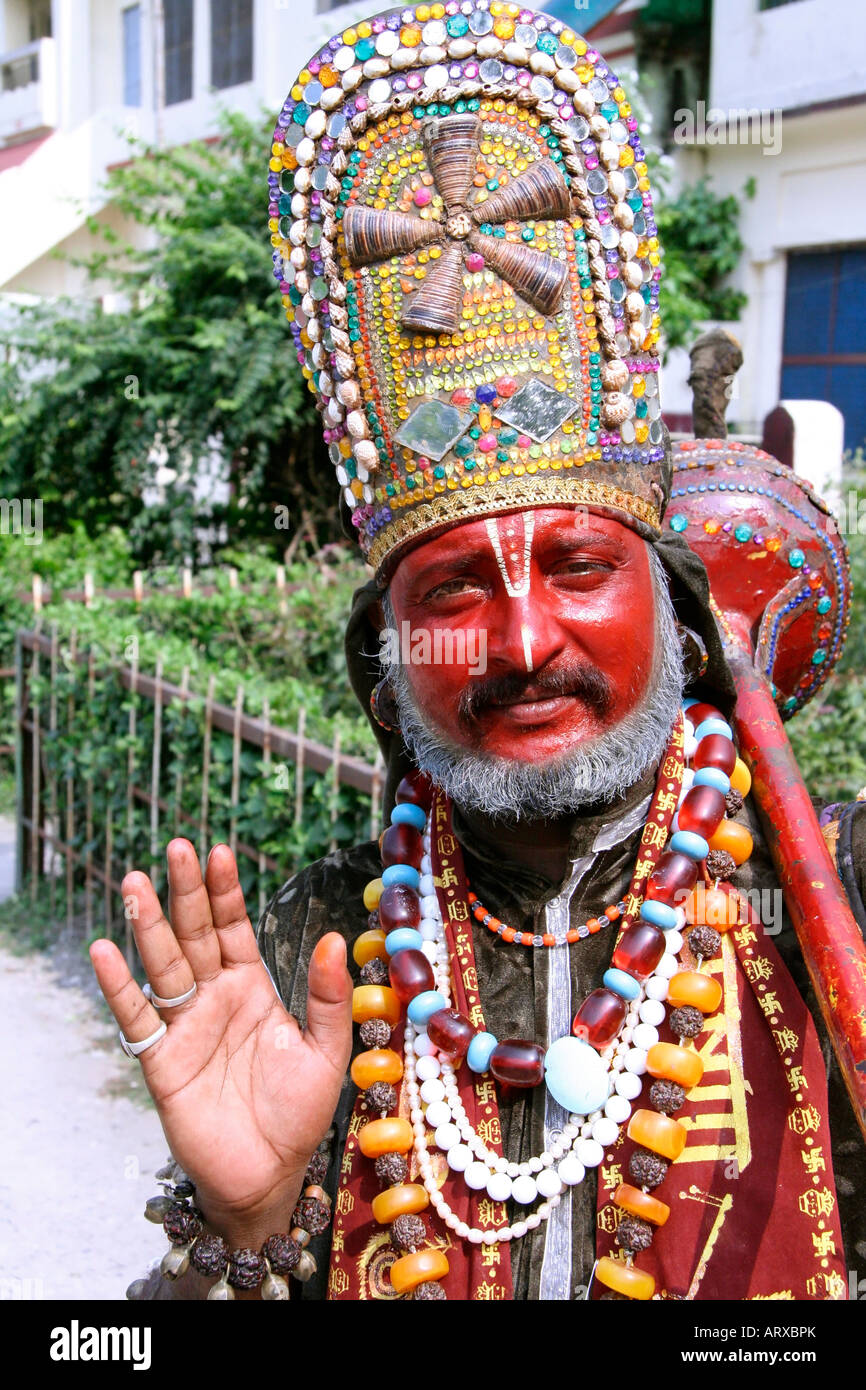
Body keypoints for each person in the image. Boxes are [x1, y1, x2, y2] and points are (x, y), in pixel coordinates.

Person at [91, 2, 864, 1301]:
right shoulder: (329, 938)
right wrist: (244, 1225)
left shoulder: (827, 891)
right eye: (451, 585)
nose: (516, 640)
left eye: (576, 568)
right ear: (388, 660)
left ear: (673, 614)